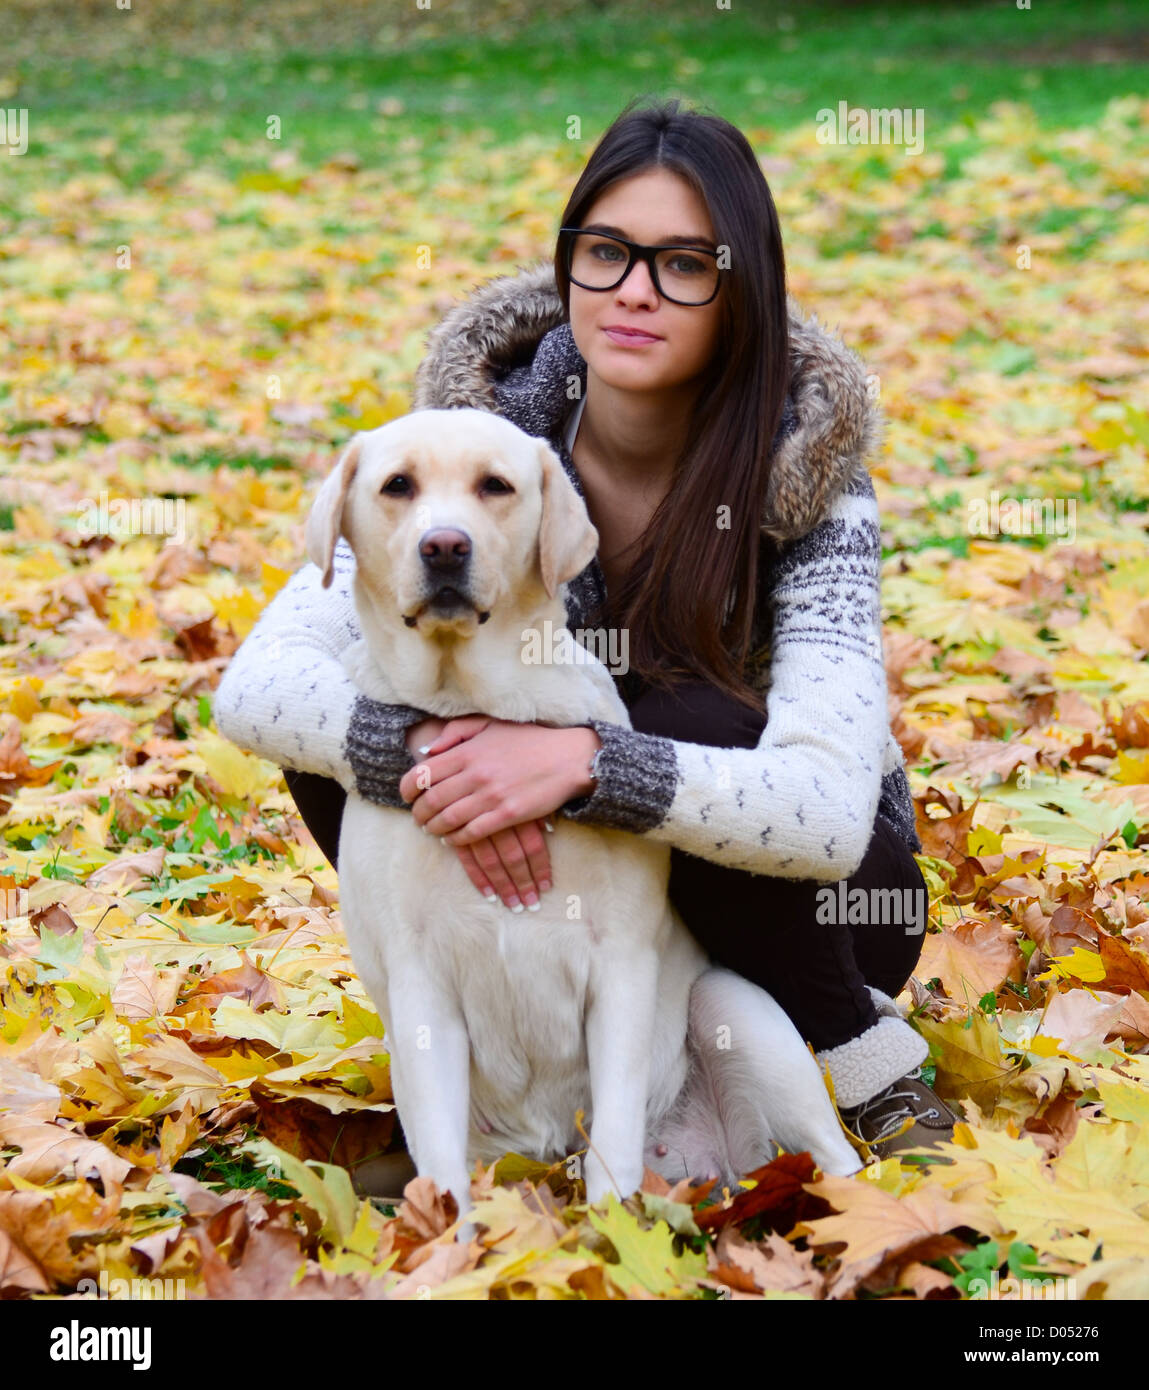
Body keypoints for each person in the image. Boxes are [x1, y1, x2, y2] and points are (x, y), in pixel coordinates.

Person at [214, 96, 957, 1163]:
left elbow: (832, 815)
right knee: (367, 706)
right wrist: (434, 756)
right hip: (575, 880)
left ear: (738, 285)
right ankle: (503, 1075)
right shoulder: (479, 451)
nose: (636, 292)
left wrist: (584, 767)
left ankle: (866, 1067)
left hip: (822, 906)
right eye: (607, 253)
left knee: (695, 712)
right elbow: (259, 684)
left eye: (684, 264)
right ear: (568, 265)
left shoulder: (810, 478)